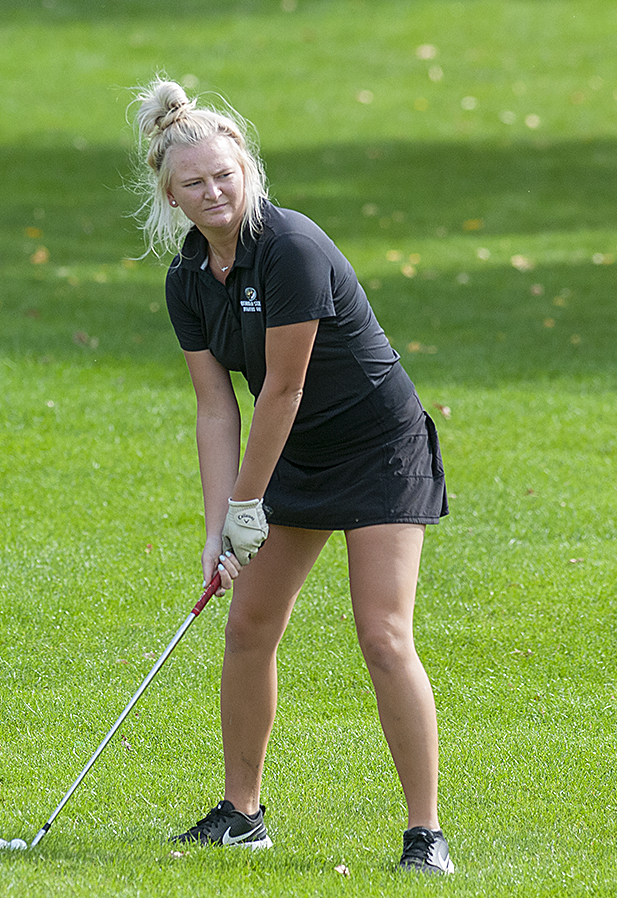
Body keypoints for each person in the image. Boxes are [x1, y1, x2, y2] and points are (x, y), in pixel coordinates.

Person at [130, 76, 454, 875]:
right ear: (170, 196)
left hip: (378, 446)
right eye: (193, 183)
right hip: (292, 455)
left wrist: (248, 503)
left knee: (383, 636)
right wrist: (220, 527)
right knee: (248, 628)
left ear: (247, 170)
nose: (213, 192)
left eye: (223, 176)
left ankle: (425, 836)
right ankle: (243, 815)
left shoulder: (294, 250)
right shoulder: (186, 281)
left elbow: (284, 386)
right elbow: (216, 409)